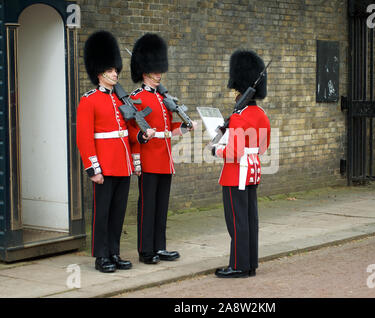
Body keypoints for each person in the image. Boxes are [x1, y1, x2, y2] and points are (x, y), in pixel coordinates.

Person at [128, 33, 196, 264]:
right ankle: (146, 250)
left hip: (165, 159)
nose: (159, 75)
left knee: (161, 207)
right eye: (155, 72)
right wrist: (136, 159)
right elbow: (133, 132)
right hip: (149, 158)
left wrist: (186, 126)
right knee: (148, 207)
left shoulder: (163, 98)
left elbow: (170, 128)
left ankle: (159, 246)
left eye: (159, 71)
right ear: (145, 73)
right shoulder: (136, 98)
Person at [76, 31, 133, 273]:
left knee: (118, 212)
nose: (115, 74)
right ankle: (101, 256)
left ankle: (114, 252)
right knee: (102, 213)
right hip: (104, 166)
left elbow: (128, 131)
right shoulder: (88, 100)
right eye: (110, 71)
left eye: (115, 70)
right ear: (99, 73)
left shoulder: (121, 100)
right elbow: (84, 138)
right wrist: (93, 168)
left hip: (122, 164)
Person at [211, 50, 271, 278]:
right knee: (250, 220)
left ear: (239, 91)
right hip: (253, 171)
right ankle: (250, 265)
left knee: (236, 223)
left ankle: (237, 265)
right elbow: (263, 147)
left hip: (236, 173)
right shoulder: (261, 114)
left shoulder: (239, 117)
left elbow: (234, 152)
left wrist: (217, 149)